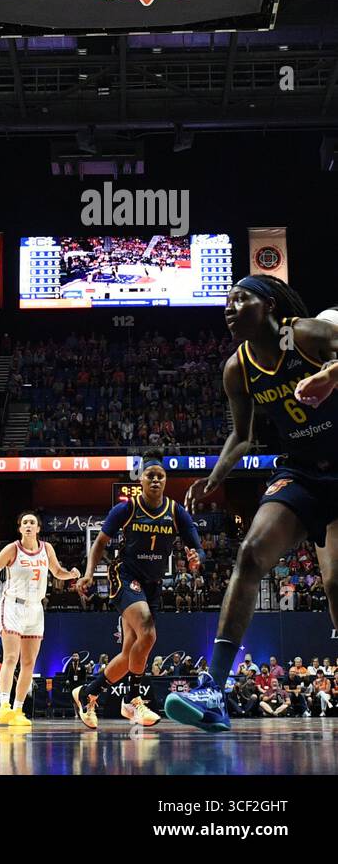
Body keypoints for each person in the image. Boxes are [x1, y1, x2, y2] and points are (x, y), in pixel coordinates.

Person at [167, 277, 338, 732]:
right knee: (249, 554)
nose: (229, 307)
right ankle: (213, 690)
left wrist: (330, 374)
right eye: (226, 301)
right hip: (301, 472)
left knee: (336, 582)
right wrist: (215, 477)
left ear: (269, 304)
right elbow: (242, 436)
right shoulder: (236, 368)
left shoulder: (305, 335)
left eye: (240, 298)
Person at [73, 452, 203, 730]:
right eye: (150, 475)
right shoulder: (126, 509)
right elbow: (100, 543)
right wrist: (87, 574)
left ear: (166, 480)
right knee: (148, 632)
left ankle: (87, 694)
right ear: (141, 479)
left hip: (153, 584)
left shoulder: (175, 511)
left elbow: (197, 545)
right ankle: (133, 701)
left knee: (131, 652)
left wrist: (197, 558)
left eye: (160, 476)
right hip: (125, 576)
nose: (155, 480)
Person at [0, 511, 79, 726]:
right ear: (20, 528)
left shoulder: (47, 549)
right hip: (12, 605)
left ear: (38, 529)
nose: (28, 525)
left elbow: (57, 572)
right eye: (25, 522)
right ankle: (4, 707)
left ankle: (18, 710)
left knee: (29, 663)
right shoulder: (12, 549)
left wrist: (71, 574)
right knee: (11, 658)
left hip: (35, 608)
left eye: (32, 522)